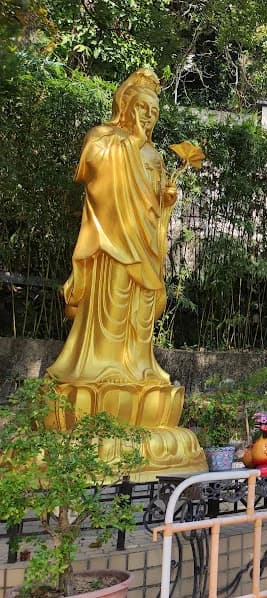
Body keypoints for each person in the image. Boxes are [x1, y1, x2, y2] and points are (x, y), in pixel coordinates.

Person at [47, 69, 205, 476]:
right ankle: (97, 372)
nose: (148, 118)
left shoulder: (153, 157)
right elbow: (92, 173)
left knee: (139, 321)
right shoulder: (106, 139)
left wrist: (166, 202)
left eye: (154, 112)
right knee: (110, 313)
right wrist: (126, 147)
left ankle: (135, 373)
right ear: (126, 106)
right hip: (112, 247)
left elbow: (153, 209)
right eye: (142, 109)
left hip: (144, 250)